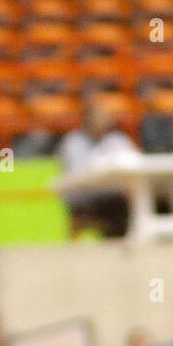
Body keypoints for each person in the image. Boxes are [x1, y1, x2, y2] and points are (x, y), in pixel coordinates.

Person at [58, 92, 138, 239]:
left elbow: (134, 163)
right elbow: (77, 175)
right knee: (117, 203)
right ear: (87, 119)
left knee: (129, 201)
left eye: (105, 116)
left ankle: (124, 240)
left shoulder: (118, 140)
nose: (103, 120)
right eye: (99, 116)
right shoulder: (73, 142)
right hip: (86, 196)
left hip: (114, 193)